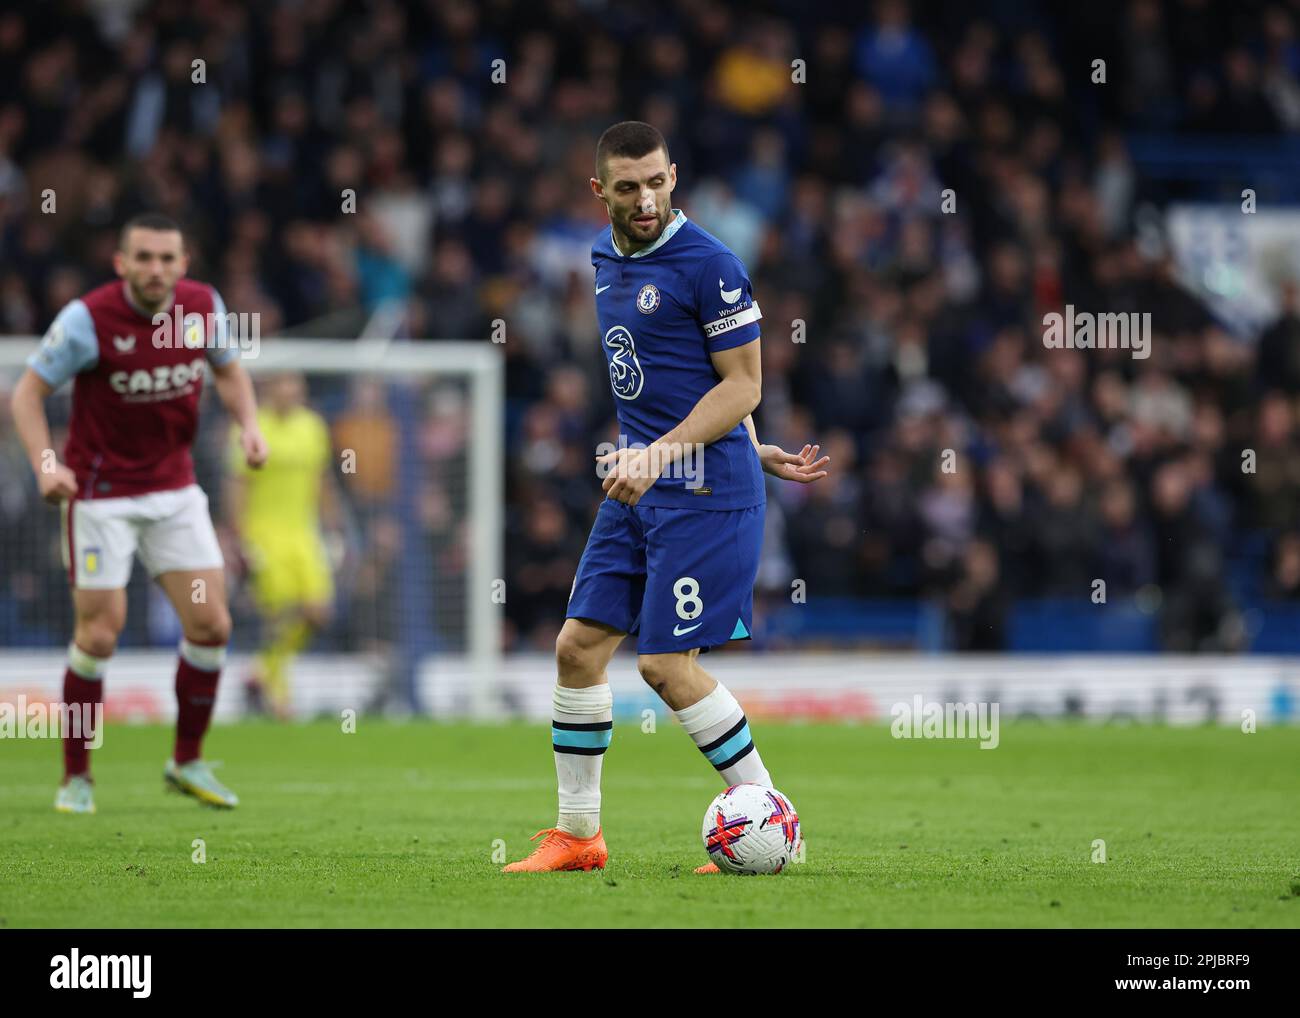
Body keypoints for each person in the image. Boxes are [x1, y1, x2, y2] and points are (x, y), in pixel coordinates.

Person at [503, 122, 829, 874]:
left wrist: (687, 453)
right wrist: (749, 442)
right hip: (644, 481)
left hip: (702, 490)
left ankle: (777, 825)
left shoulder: (711, 265)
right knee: (577, 649)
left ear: (674, 176)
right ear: (600, 193)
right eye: (627, 188)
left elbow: (744, 382)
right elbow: (693, 381)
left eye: (656, 182)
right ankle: (579, 836)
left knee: (664, 665)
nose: (645, 199)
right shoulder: (601, 258)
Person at [9, 212, 268, 813]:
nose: (156, 269)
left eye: (167, 258)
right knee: (99, 635)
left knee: (212, 626)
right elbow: (27, 393)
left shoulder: (204, 306)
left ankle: (187, 762)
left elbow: (229, 371)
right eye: (144, 258)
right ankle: (77, 776)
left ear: (183, 264)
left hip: (175, 492)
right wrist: (46, 464)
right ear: (121, 263)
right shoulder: (87, 319)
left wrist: (250, 427)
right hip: (101, 498)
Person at [226, 371, 336, 719]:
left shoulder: (313, 427)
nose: (290, 390)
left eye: (295, 384)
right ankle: (279, 695)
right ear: (269, 389)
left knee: (318, 610)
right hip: (264, 532)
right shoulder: (250, 427)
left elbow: (321, 479)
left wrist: (333, 525)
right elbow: (237, 484)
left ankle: (261, 672)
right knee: (280, 613)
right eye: (282, 383)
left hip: (303, 531)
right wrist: (239, 537)